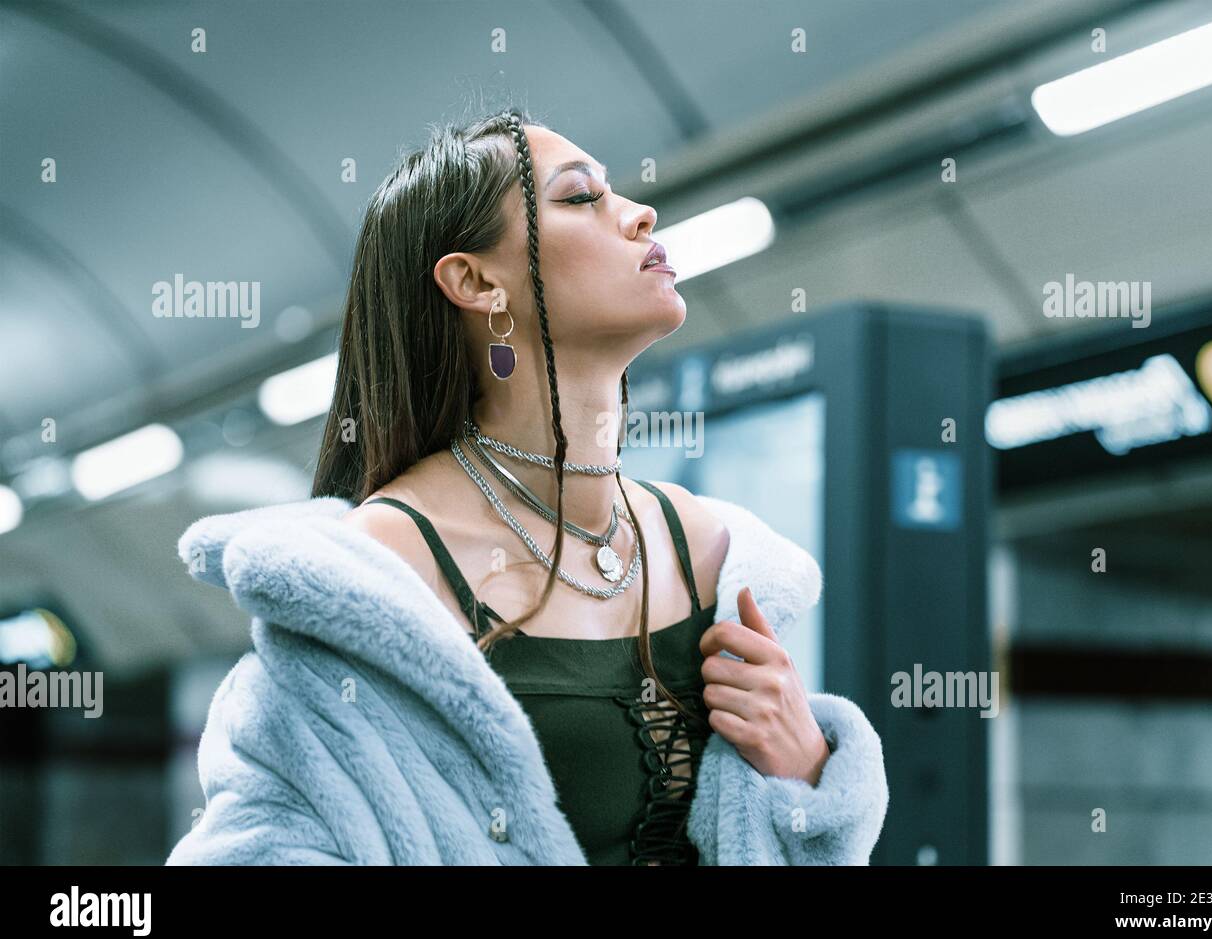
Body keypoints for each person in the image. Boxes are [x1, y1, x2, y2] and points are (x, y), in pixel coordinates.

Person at [165, 108, 888, 866]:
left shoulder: (707, 549)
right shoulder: (376, 575)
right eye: (581, 198)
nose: (641, 214)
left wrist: (807, 775)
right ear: (475, 281)